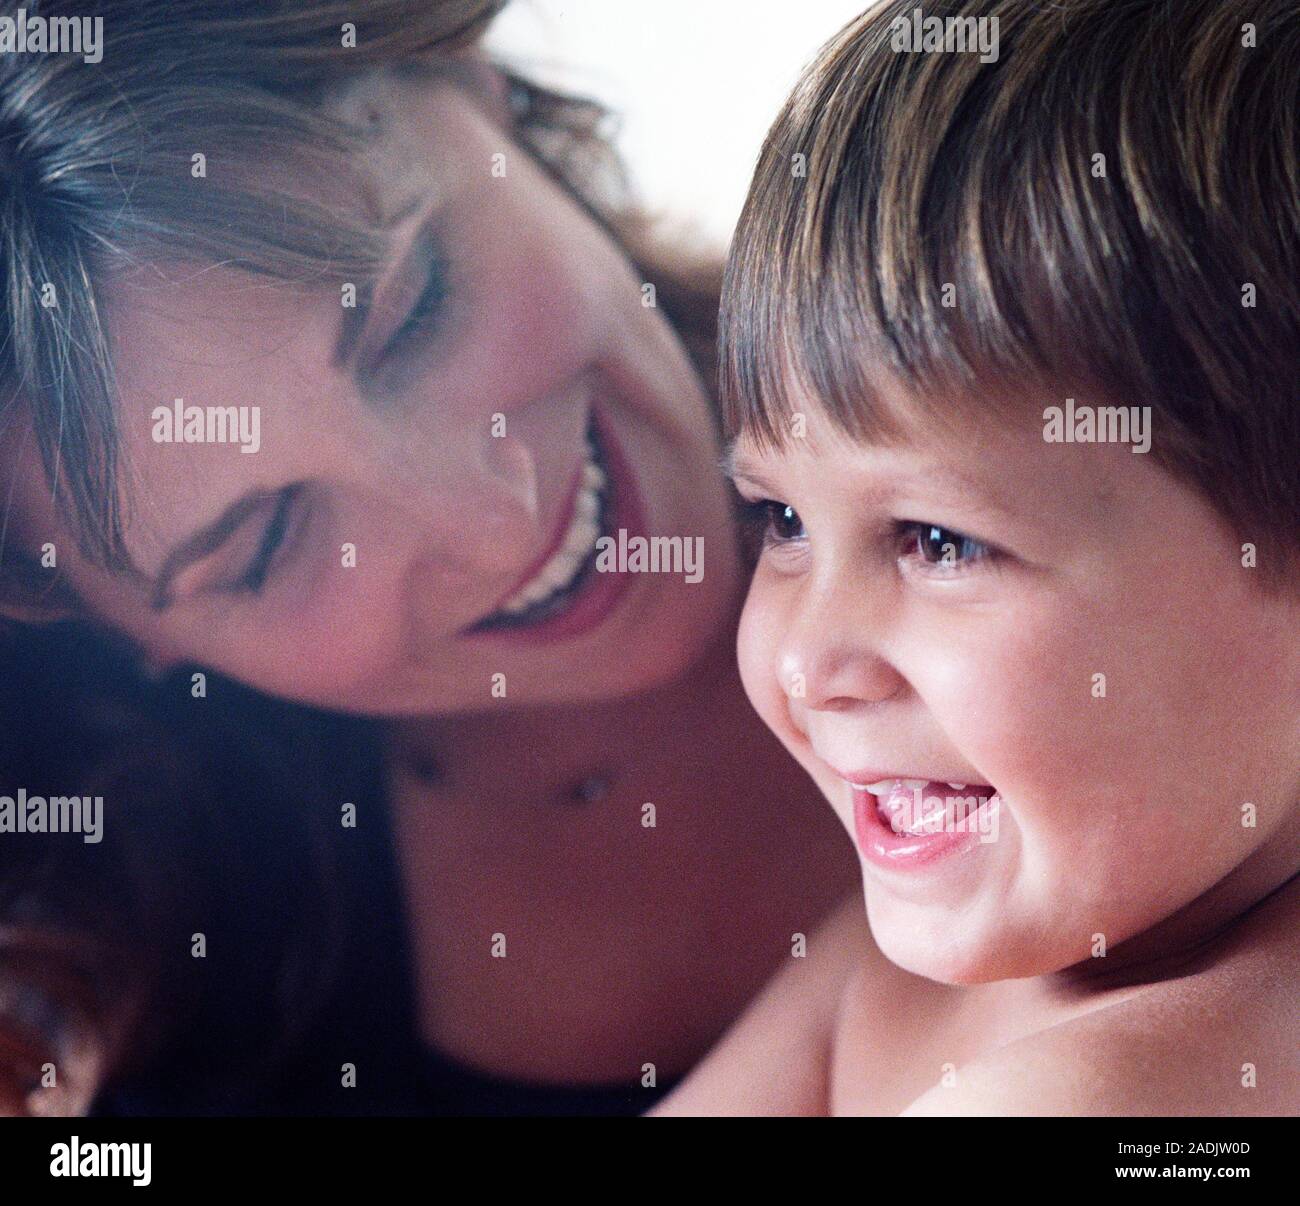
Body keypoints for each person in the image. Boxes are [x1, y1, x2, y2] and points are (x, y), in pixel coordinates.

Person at [0, 0, 854, 1114]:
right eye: (265, 548)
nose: (493, 521)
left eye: (415, 311)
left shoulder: (1084, 339)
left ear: (469, 86)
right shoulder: (155, 1042)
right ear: (119, 639)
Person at [654, 0, 1300, 1115]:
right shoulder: (897, 952)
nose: (809, 663)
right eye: (782, 520)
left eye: (939, 541)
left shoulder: (1133, 1093)